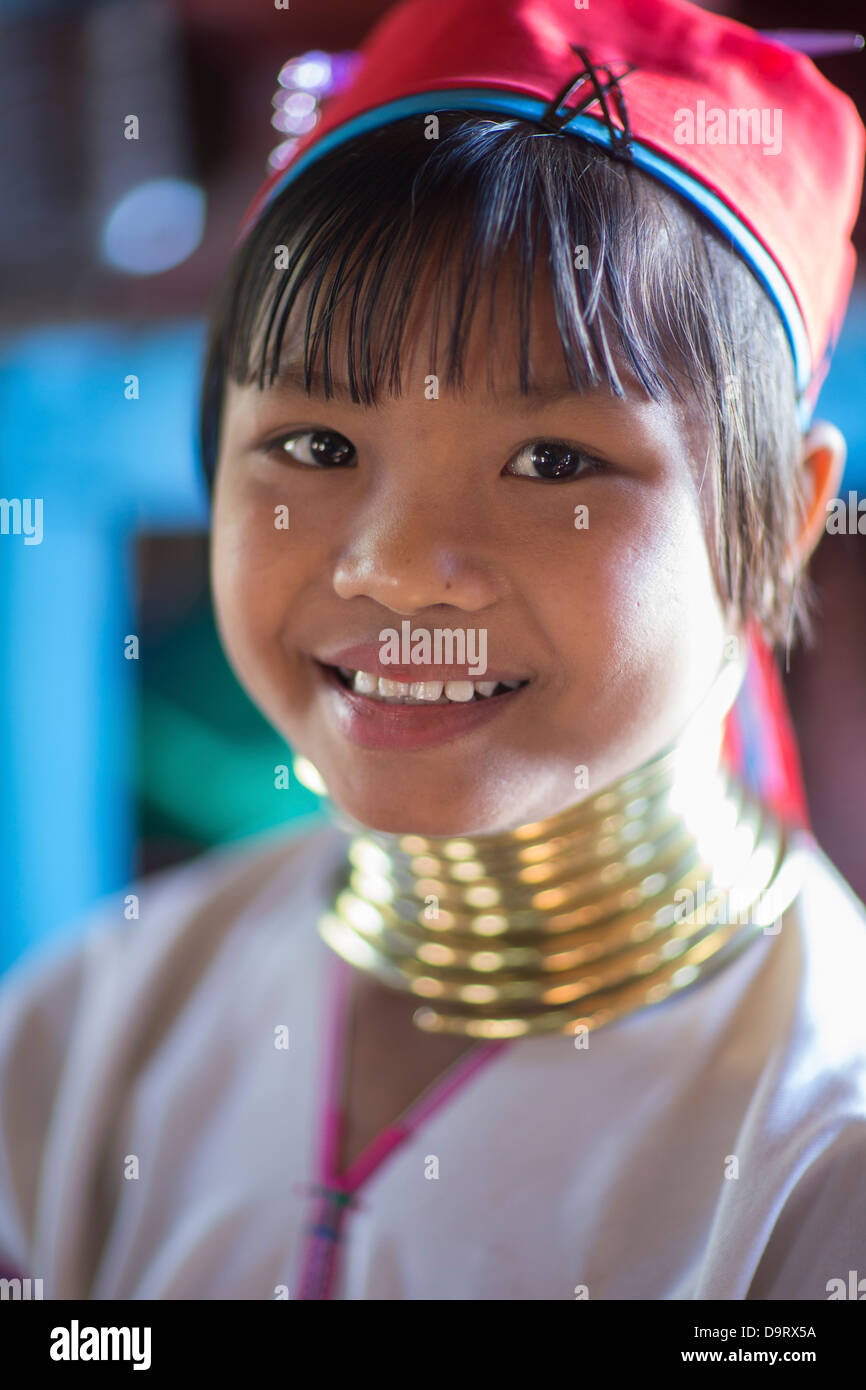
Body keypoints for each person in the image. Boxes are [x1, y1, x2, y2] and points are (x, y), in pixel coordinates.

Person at [1, 0, 865, 1300]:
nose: (394, 565)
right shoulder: (90, 1027)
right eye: (314, 447)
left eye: (554, 461)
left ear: (780, 521)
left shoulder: (821, 1156)